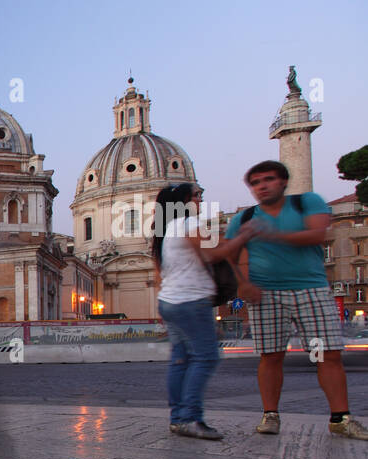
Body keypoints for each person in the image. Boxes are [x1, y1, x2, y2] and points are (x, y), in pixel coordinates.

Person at [227, 160, 367, 439]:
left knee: (327, 354)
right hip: (265, 293)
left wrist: (271, 234)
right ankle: (270, 415)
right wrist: (243, 284)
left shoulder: (308, 202)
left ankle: (340, 418)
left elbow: (317, 234)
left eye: (268, 179)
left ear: (283, 182)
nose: (262, 186)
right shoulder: (242, 219)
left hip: (311, 288)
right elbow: (231, 254)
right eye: (255, 182)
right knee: (270, 356)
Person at [153, 182, 247, 439]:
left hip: (170, 300)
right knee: (206, 357)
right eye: (196, 196)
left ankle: (177, 418)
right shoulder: (188, 224)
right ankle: (190, 418)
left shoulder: (166, 230)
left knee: (180, 359)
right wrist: (243, 236)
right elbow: (212, 254)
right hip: (191, 300)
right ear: (183, 201)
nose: (200, 200)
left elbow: (161, 273)